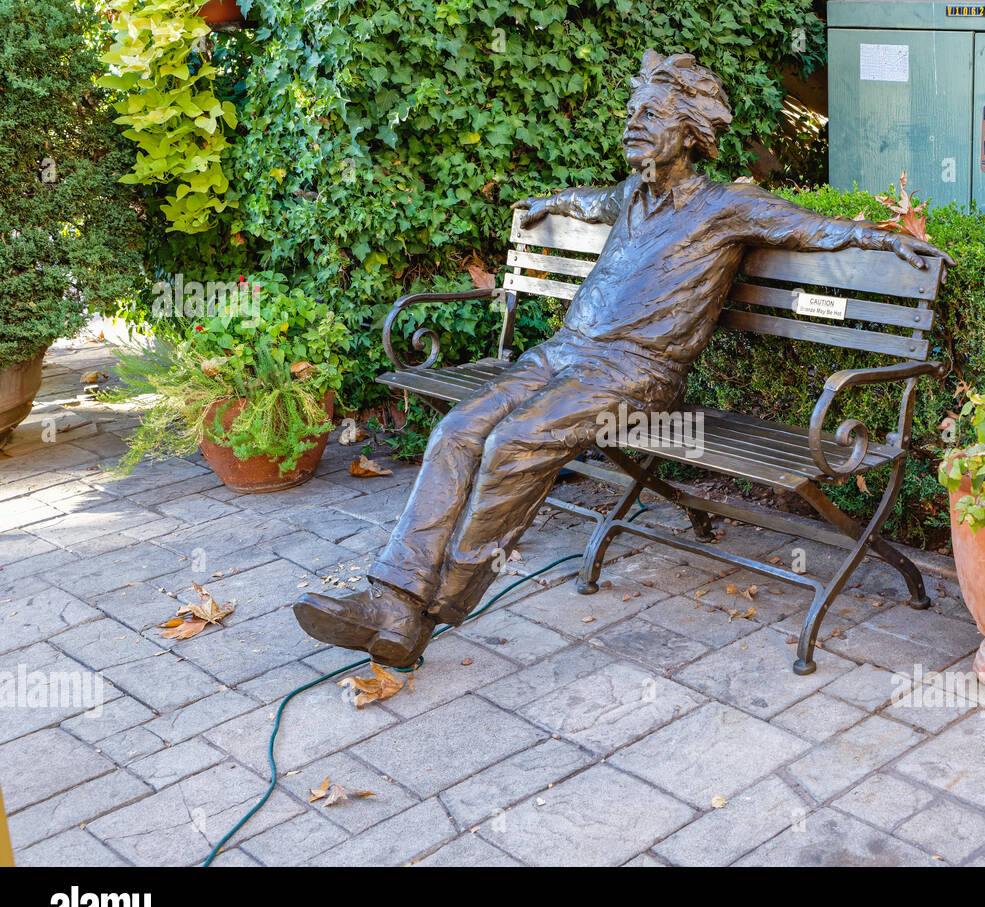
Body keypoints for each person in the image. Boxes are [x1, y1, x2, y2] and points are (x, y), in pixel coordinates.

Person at [293, 48, 950, 668]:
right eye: (632, 115)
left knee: (514, 442)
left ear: (690, 132)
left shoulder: (727, 207)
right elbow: (586, 200)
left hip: (636, 373)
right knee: (457, 431)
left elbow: (809, 225)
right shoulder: (629, 195)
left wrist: (885, 241)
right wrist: (548, 203)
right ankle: (393, 601)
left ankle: (435, 607)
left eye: (651, 117)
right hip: (560, 355)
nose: (634, 126)